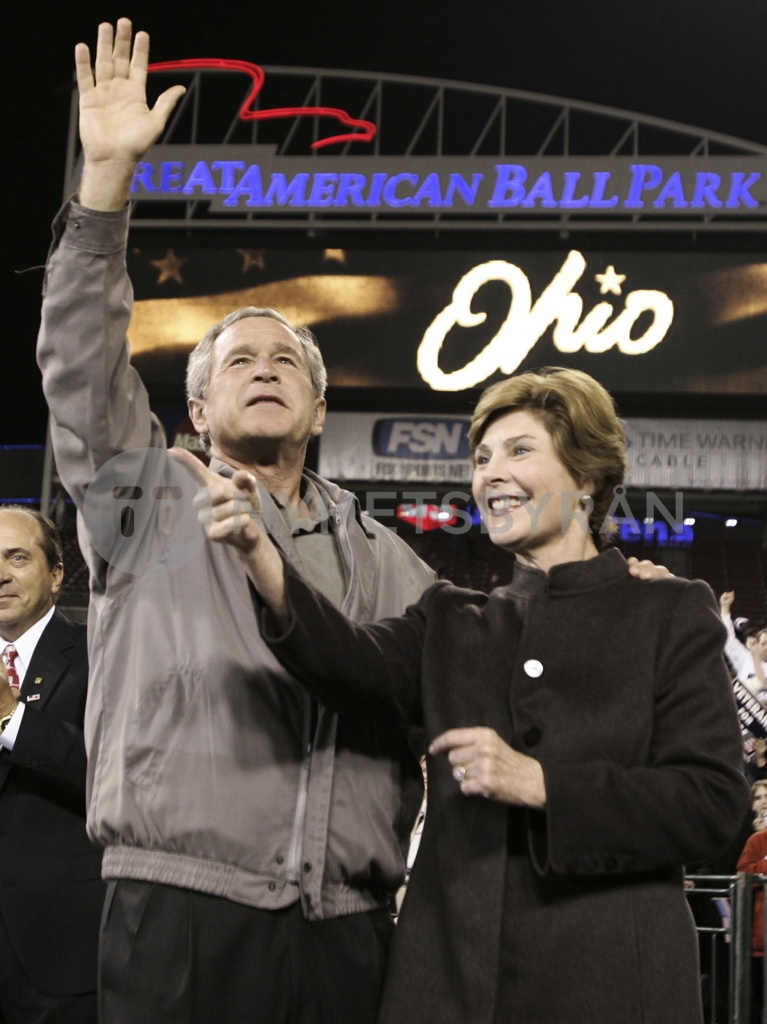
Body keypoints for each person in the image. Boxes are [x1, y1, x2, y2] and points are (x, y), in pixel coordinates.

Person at [36, 18, 442, 1024]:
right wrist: (102, 192)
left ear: (317, 409)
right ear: (199, 411)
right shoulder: (154, 505)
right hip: (182, 910)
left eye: (286, 364)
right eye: (238, 364)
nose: (264, 369)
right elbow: (83, 365)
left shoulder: (393, 561)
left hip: (349, 924)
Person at [191, 366, 751, 1024]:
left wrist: (542, 783)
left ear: (588, 475)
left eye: (519, 450)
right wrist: (261, 554)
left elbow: (713, 806)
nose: (489, 473)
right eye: (481, 458)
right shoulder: (449, 619)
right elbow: (346, 661)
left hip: (610, 983)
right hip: (448, 986)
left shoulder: (670, 611)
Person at [0, 506, 104, 1024]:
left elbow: (112, 770)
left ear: (57, 574)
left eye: (16, 557)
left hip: (59, 943)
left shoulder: (100, 654)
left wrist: (10, 717)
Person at [736, 782, 767, 1023]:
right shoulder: (755, 841)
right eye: (758, 798)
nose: (763, 802)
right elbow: (744, 875)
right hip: (761, 938)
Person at [720, 591, 767, 696]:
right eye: (763, 644)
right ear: (757, 644)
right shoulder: (746, 658)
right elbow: (728, 640)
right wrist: (725, 608)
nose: (766, 648)